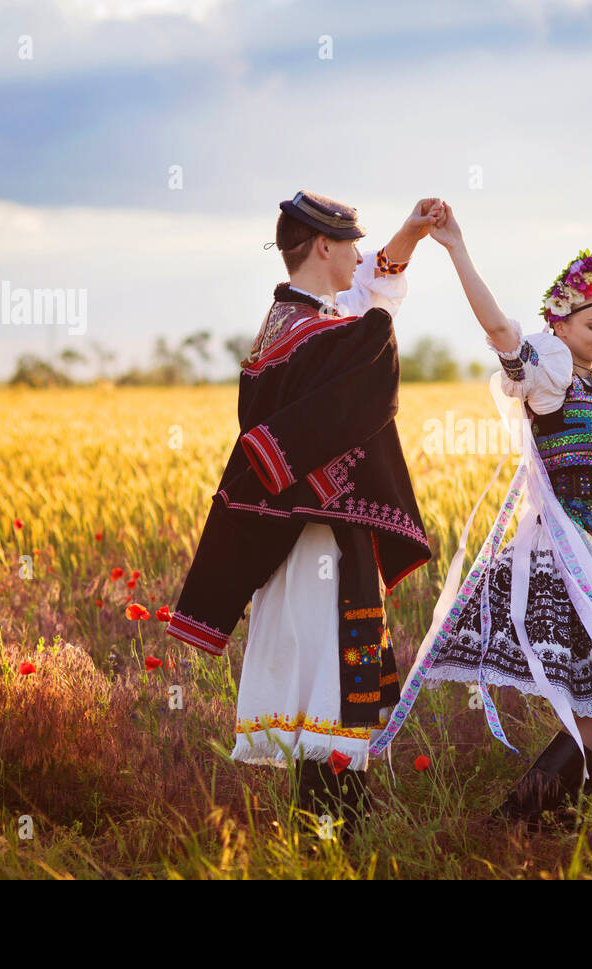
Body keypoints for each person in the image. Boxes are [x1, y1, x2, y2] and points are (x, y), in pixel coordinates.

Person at [370, 203, 592, 828]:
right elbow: (497, 328)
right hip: (563, 548)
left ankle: (534, 814)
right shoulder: (548, 381)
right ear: (560, 326)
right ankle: (531, 816)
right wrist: (457, 248)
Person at [166, 189, 442, 838]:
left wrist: (409, 234)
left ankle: (325, 830)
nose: (359, 255)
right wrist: (377, 323)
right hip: (325, 541)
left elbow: (369, 291)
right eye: (350, 244)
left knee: (320, 688)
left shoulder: (281, 328)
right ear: (324, 245)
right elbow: (368, 353)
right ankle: (338, 835)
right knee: (335, 686)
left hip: (289, 540)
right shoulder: (332, 335)